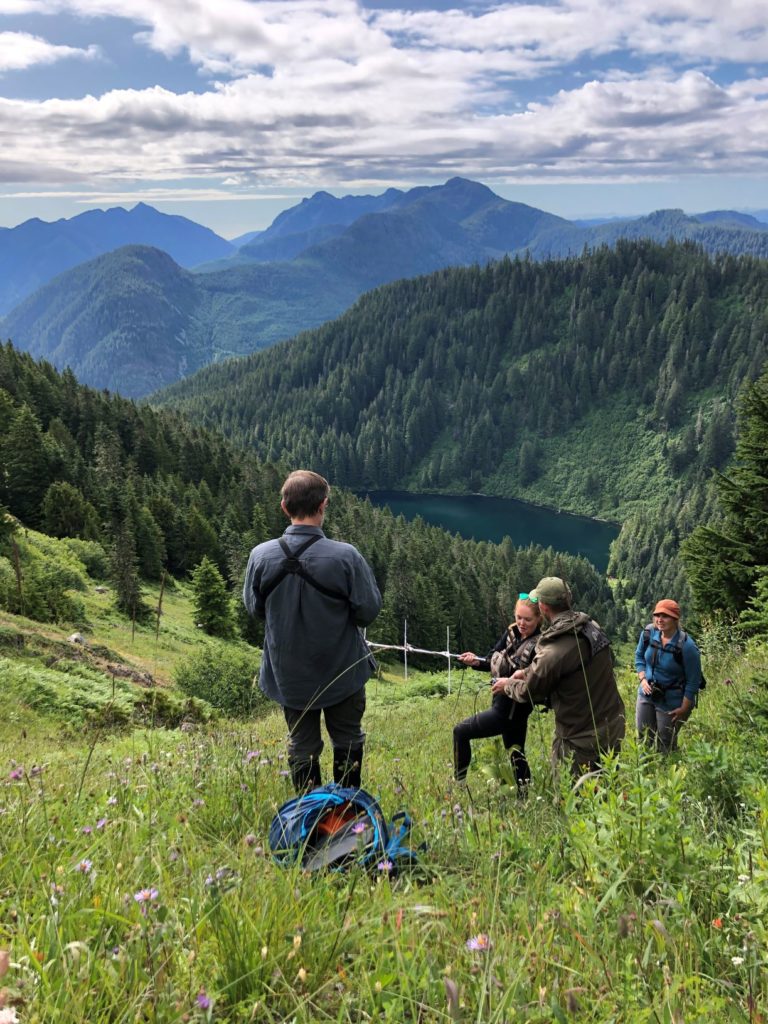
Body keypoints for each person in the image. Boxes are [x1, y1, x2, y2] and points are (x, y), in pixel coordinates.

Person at [243, 470, 382, 793]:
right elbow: (368, 611)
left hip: (288, 674)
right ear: (323, 505)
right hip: (342, 671)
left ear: (284, 507)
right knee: (348, 739)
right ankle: (347, 811)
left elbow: (255, 609)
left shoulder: (260, 556)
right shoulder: (345, 556)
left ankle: (310, 813)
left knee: (302, 745)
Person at [506, 577, 625, 777]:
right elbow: (571, 663)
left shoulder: (553, 650)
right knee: (608, 785)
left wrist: (507, 685)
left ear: (543, 607)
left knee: (571, 791)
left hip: (579, 737)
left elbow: (529, 691)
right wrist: (526, 672)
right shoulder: (591, 626)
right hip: (613, 724)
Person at [453, 595, 542, 788]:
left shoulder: (540, 646)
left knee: (460, 732)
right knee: (516, 753)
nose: (521, 623)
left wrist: (507, 684)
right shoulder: (511, 633)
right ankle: (524, 796)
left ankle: (459, 786)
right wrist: (475, 661)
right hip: (507, 708)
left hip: (508, 712)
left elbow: (535, 681)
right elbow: (491, 659)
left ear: (539, 619)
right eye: (519, 617)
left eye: (528, 619)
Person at [635, 599, 702, 753]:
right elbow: (639, 657)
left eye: (665, 616)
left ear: (675, 619)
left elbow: (693, 681)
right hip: (646, 693)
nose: (660, 619)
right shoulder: (648, 634)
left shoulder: (687, 647)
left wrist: (684, 708)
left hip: (672, 700)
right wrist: (643, 678)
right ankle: (644, 766)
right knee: (643, 738)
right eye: (657, 615)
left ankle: (668, 766)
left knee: (665, 743)